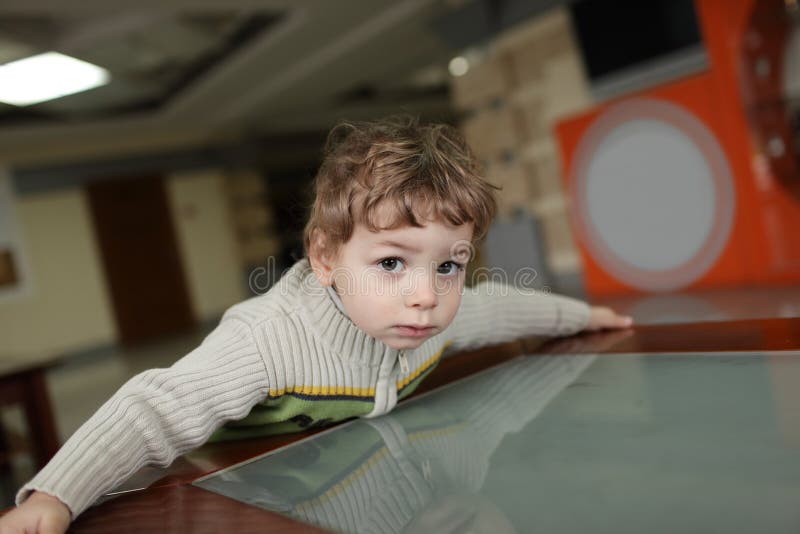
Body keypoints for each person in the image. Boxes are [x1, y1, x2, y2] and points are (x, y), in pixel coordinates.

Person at [0, 116, 631, 533]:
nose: (426, 297)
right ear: (325, 257)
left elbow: (507, 307)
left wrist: (587, 316)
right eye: (391, 262)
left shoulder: (443, 313)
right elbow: (154, 410)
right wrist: (55, 495)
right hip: (248, 486)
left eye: (448, 265)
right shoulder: (267, 343)